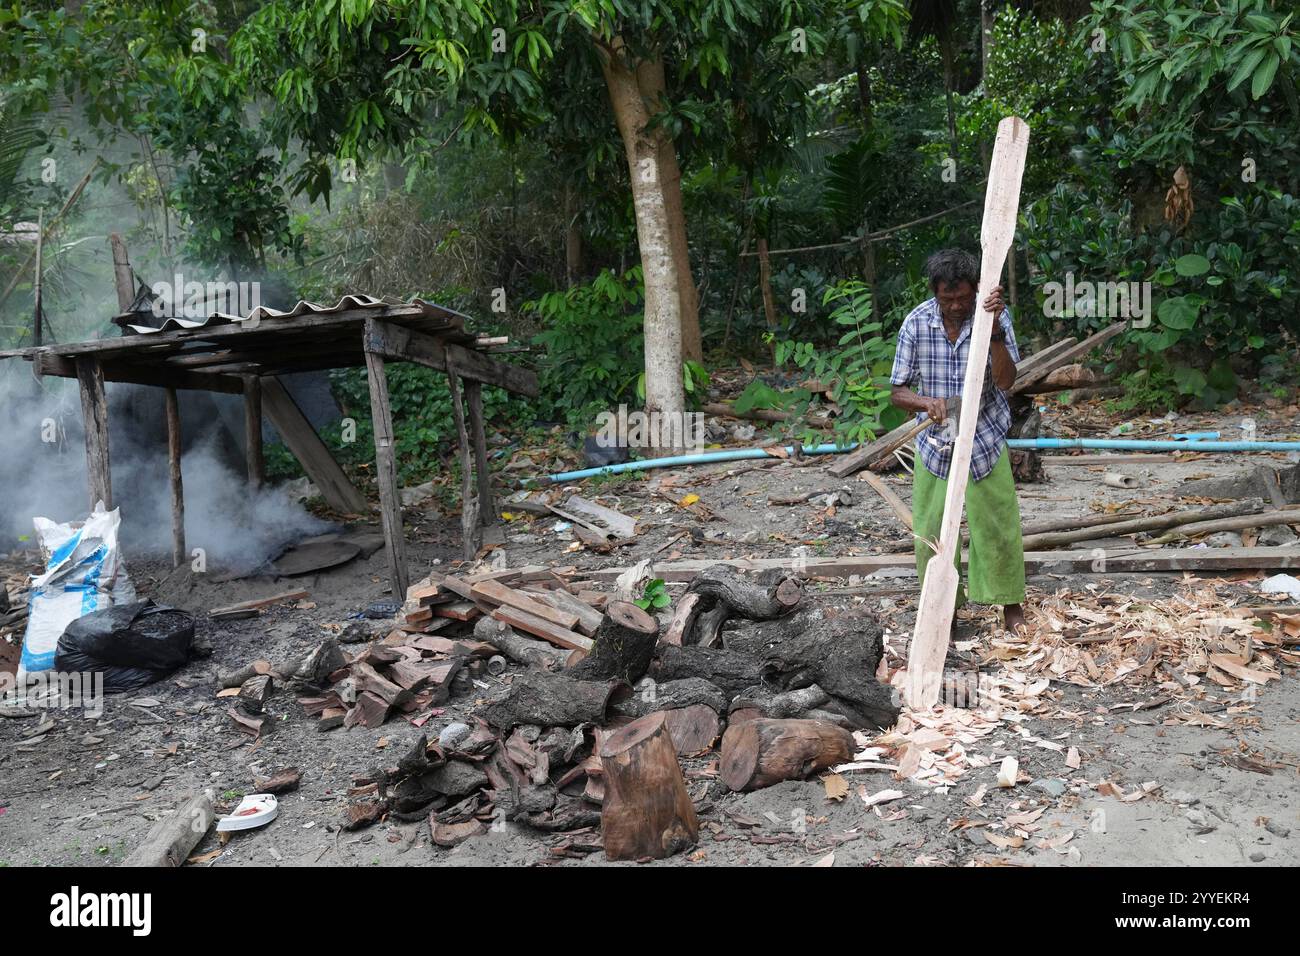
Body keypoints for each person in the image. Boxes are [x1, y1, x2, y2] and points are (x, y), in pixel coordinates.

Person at [888, 248, 1027, 632]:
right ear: (935, 293)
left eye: (963, 298)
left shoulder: (993, 318)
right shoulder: (916, 323)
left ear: (976, 289)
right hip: (936, 440)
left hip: (984, 434)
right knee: (930, 529)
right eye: (946, 299)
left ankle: (1009, 603)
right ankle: (942, 606)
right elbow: (897, 392)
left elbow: (1006, 381)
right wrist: (925, 402)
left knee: (996, 523)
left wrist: (996, 330)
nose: (954, 306)